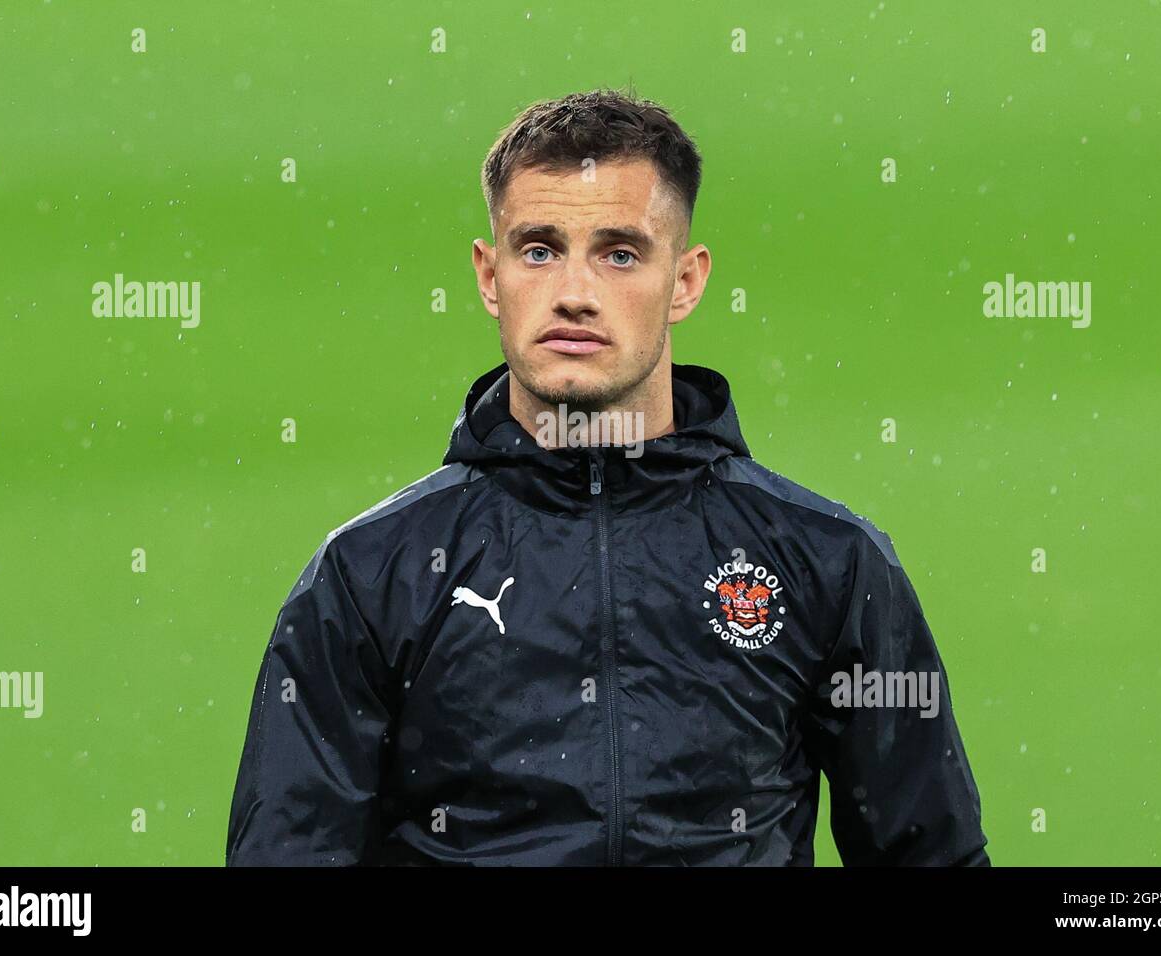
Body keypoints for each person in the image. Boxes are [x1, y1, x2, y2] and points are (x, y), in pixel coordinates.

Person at [225, 88, 990, 866]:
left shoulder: (829, 561)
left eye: (619, 253)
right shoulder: (369, 575)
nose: (574, 295)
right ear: (490, 277)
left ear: (685, 282)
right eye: (538, 249)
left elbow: (930, 856)